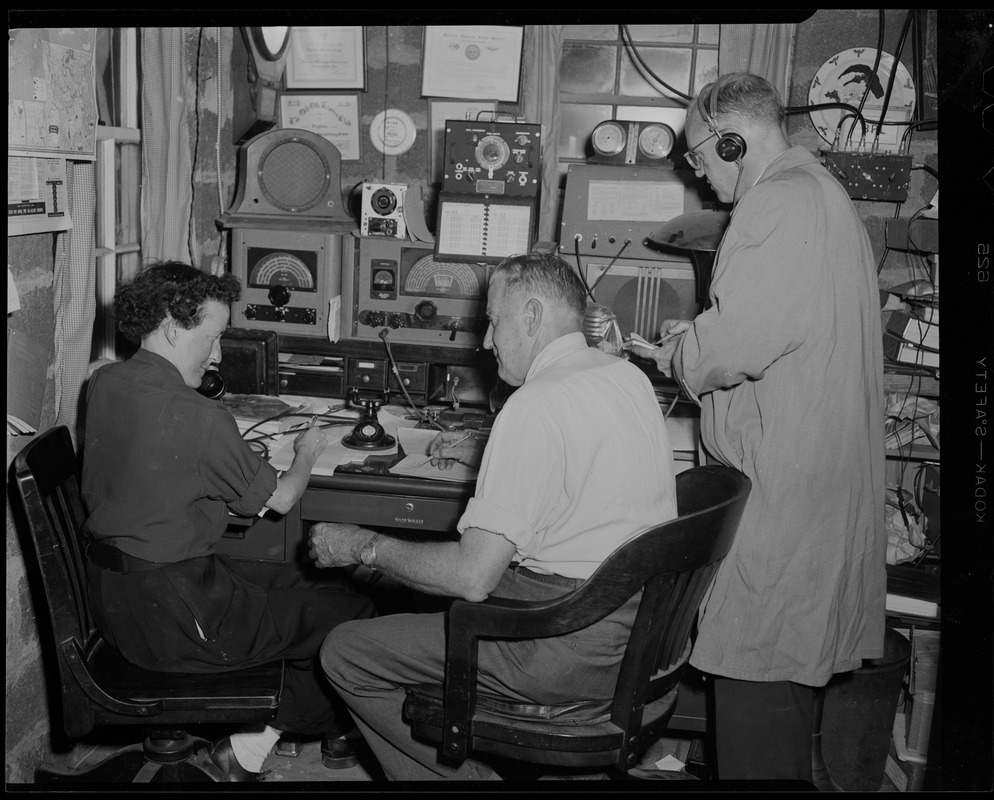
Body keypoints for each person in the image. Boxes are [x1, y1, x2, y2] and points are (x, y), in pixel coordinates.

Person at [308, 252, 678, 781]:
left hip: (563, 647)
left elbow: (472, 578)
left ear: (530, 317)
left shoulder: (533, 406)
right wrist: (487, 451)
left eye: (494, 321)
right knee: (418, 592)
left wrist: (360, 545)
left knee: (345, 652)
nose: (486, 340)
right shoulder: (624, 376)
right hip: (640, 634)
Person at [628, 73, 887, 782]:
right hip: (814, 497)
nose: (698, 173)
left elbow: (730, 350)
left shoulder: (774, 203)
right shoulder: (821, 194)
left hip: (783, 509)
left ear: (733, 139)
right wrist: (706, 334)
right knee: (781, 701)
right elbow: (777, 329)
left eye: (699, 156)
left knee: (758, 710)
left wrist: (680, 348)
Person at [80, 261, 377, 781]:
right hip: (176, 617)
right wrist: (307, 448)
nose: (217, 354)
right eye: (213, 337)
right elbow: (281, 499)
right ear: (173, 327)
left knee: (310, 581)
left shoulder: (104, 382)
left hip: (114, 601)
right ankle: (253, 747)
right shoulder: (200, 418)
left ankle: (298, 730)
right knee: (355, 612)